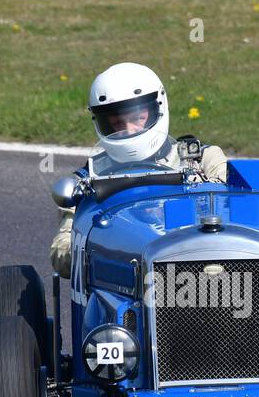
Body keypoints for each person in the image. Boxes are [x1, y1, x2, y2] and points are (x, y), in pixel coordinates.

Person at [49, 62, 227, 277]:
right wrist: (100, 246)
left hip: (197, 270)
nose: (128, 130)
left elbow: (231, 214)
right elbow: (61, 251)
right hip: (125, 274)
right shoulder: (88, 182)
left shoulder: (202, 159)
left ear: (158, 109)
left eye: (137, 119)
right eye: (116, 123)